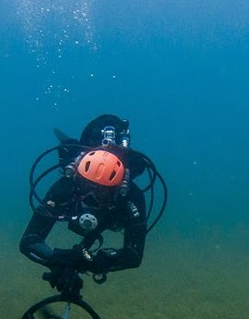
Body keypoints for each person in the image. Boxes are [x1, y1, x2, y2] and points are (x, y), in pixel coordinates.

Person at [20, 114, 166, 298]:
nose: (90, 197)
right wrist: (57, 261)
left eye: (101, 192)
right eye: (85, 187)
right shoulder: (67, 184)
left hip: (112, 217)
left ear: (116, 190)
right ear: (77, 178)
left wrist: (98, 260)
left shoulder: (129, 196)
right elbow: (29, 240)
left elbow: (134, 254)